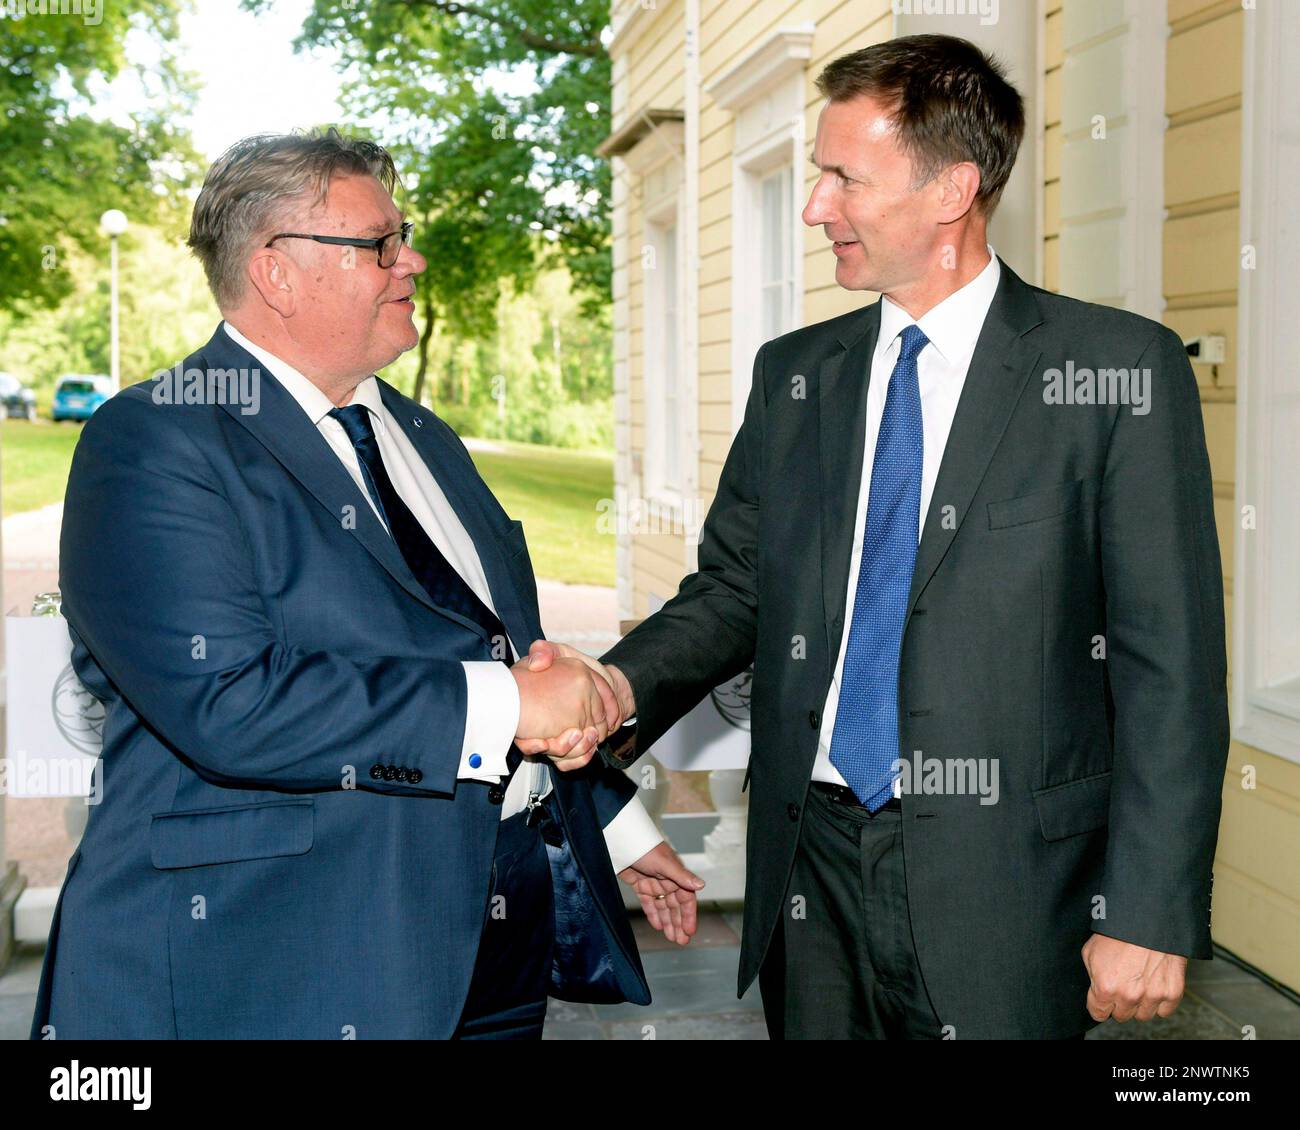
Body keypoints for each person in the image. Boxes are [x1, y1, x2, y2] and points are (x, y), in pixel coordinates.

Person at [531, 34, 1229, 1040]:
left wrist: (1152, 906)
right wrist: (611, 688)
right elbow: (733, 590)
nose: (815, 205)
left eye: (840, 177)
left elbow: (1169, 661)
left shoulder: (1115, 374)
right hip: (808, 864)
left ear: (951, 188)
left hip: (1013, 885)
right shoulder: (795, 375)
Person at [31, 129, 701, 1041]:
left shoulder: (421, 435)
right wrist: (511, 702)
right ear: (278, 272)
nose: (411, 260)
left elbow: (487, 649)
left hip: (490, 951)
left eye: (404, 234)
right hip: (285, 962)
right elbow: (230, 701)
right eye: (380, 243)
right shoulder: (153, 440)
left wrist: (612, 825)